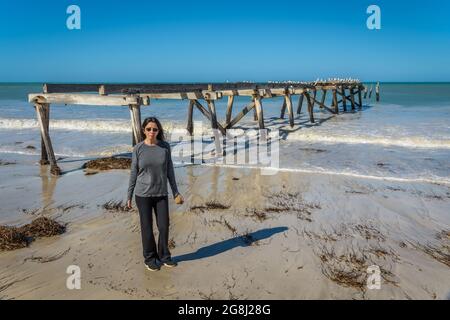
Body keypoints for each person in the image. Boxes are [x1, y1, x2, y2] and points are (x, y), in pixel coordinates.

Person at [127, 117, 184, 271]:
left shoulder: (165, 147)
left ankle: (164, 256)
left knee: (164, 226)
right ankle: (149, 258)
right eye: (149, 129)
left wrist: (175, 192)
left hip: (161, 194)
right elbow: (133, 172)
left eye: (155, 129)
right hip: (142, 195)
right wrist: (129, 195)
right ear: (144, 130)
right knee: (147, 228)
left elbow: (170, 171)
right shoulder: (138, 148)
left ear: (159, 131)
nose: (152, 132)